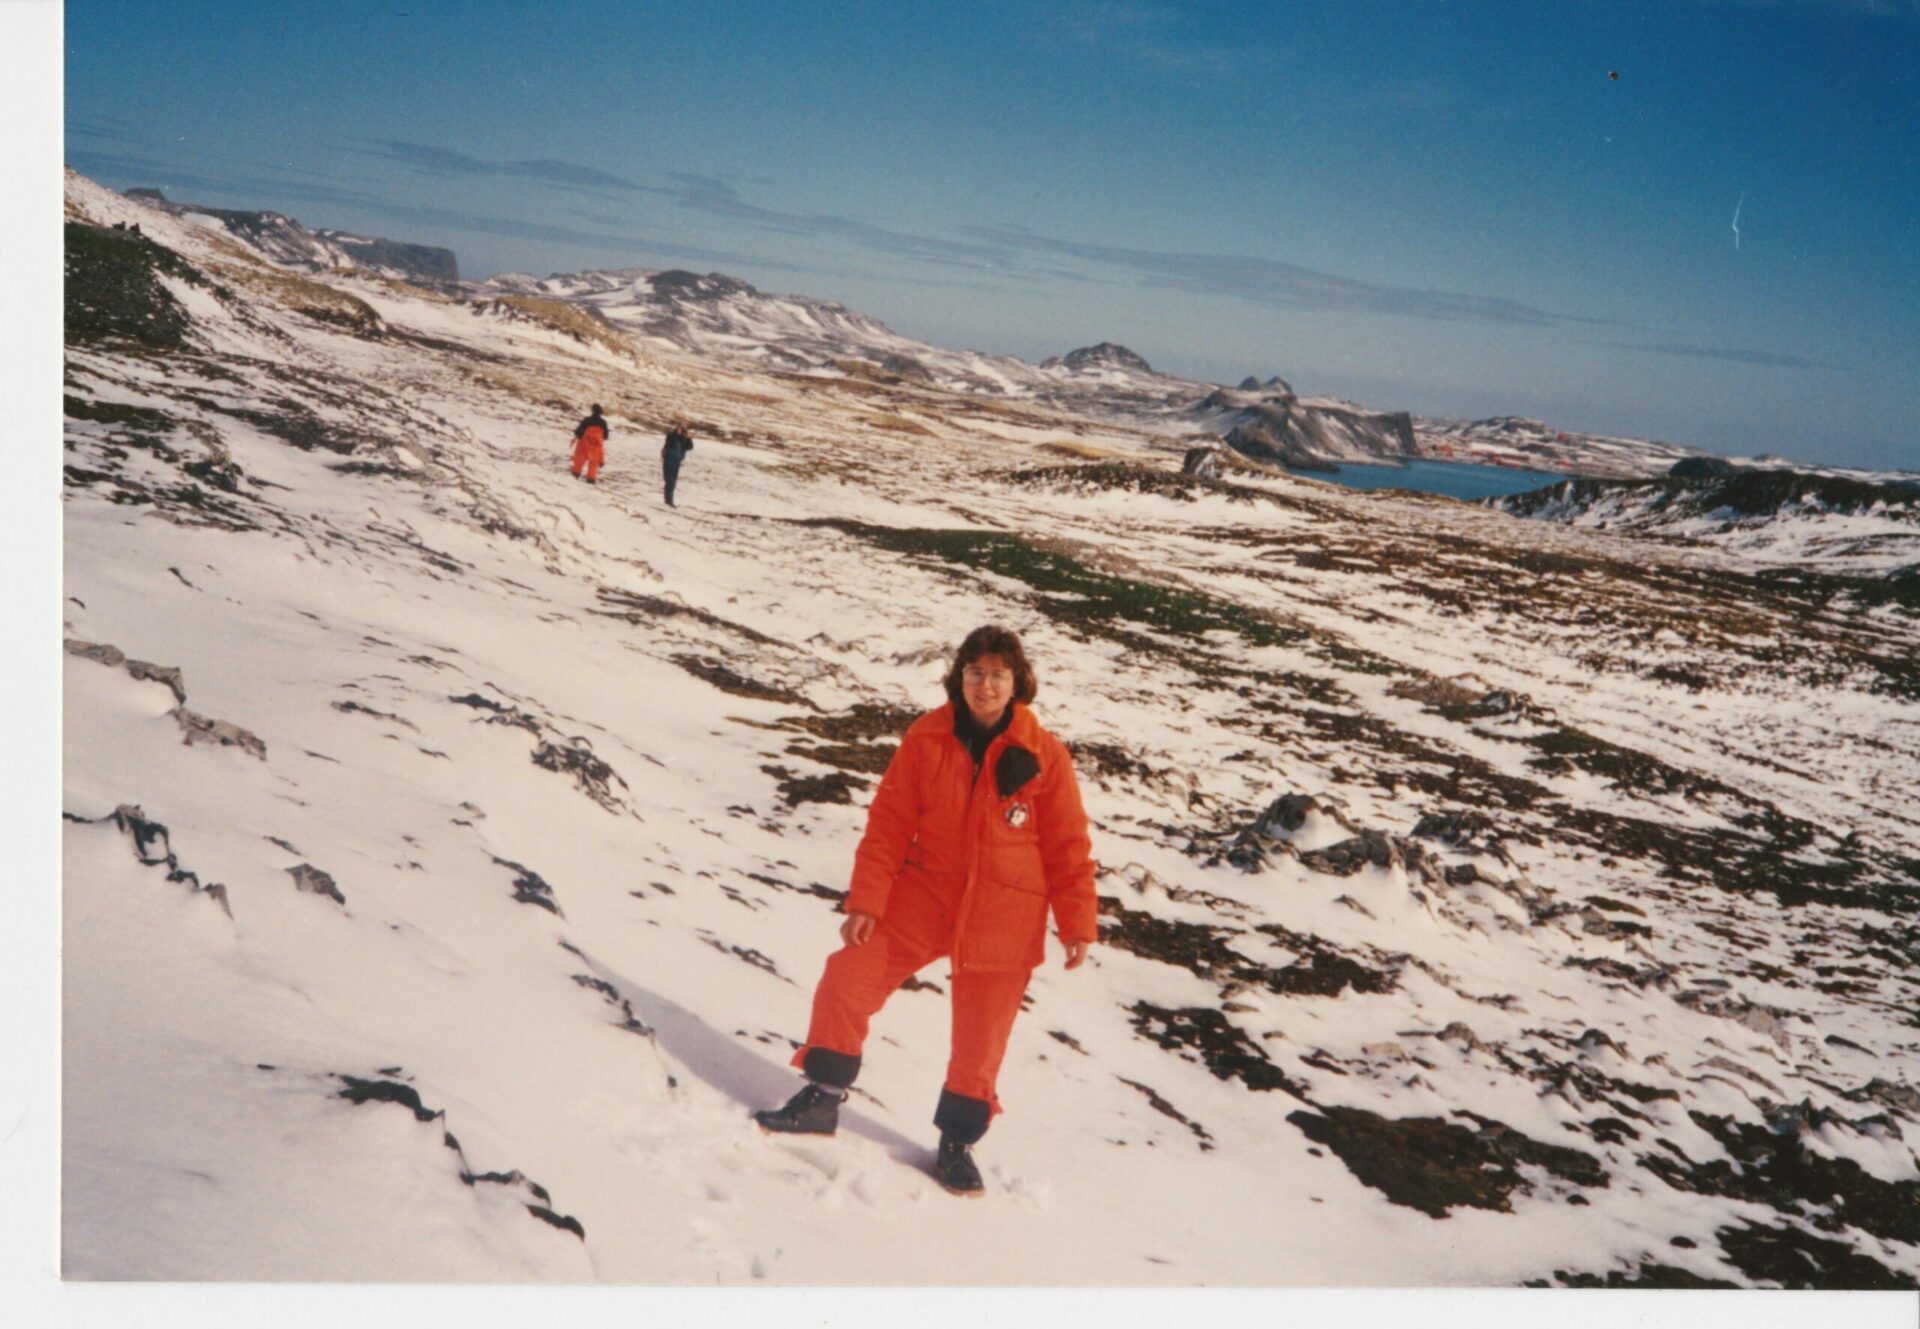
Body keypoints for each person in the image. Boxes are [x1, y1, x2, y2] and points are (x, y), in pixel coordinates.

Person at [754, 625, 1098, 1197]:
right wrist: (867, 899)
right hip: (926, 892)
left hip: (1005, 911)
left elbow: (1068, 846)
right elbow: (889, 823)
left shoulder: (1045, 755)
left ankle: (956, 1145)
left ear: (1017, 684)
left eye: (997, 675)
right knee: (849, 975)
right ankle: (822, 1096)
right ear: (959, 677)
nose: (984, 685)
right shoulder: (927, 738)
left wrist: (1077, 923)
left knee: (980, 1039)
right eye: (974, 672)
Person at [570, 404, 610, 483]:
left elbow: (578, 432)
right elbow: (605, 437)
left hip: (583, 445)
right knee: (593, 465)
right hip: (596, 447)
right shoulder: (603, 423)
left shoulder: (587, 420)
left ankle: (575, 476)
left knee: (579, 462)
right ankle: (591, 480)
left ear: (592, 411)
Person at [661, 424, 694, 506]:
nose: (681, 432)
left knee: (672, 481)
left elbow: (690, 447)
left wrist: (689, 438)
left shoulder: (682, 441)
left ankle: (668, 499)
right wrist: (677, 433)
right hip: (669, 460)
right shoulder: (671, 436)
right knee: (670, 481)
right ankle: (669, 500)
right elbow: (670, 440)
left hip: (676, 462)